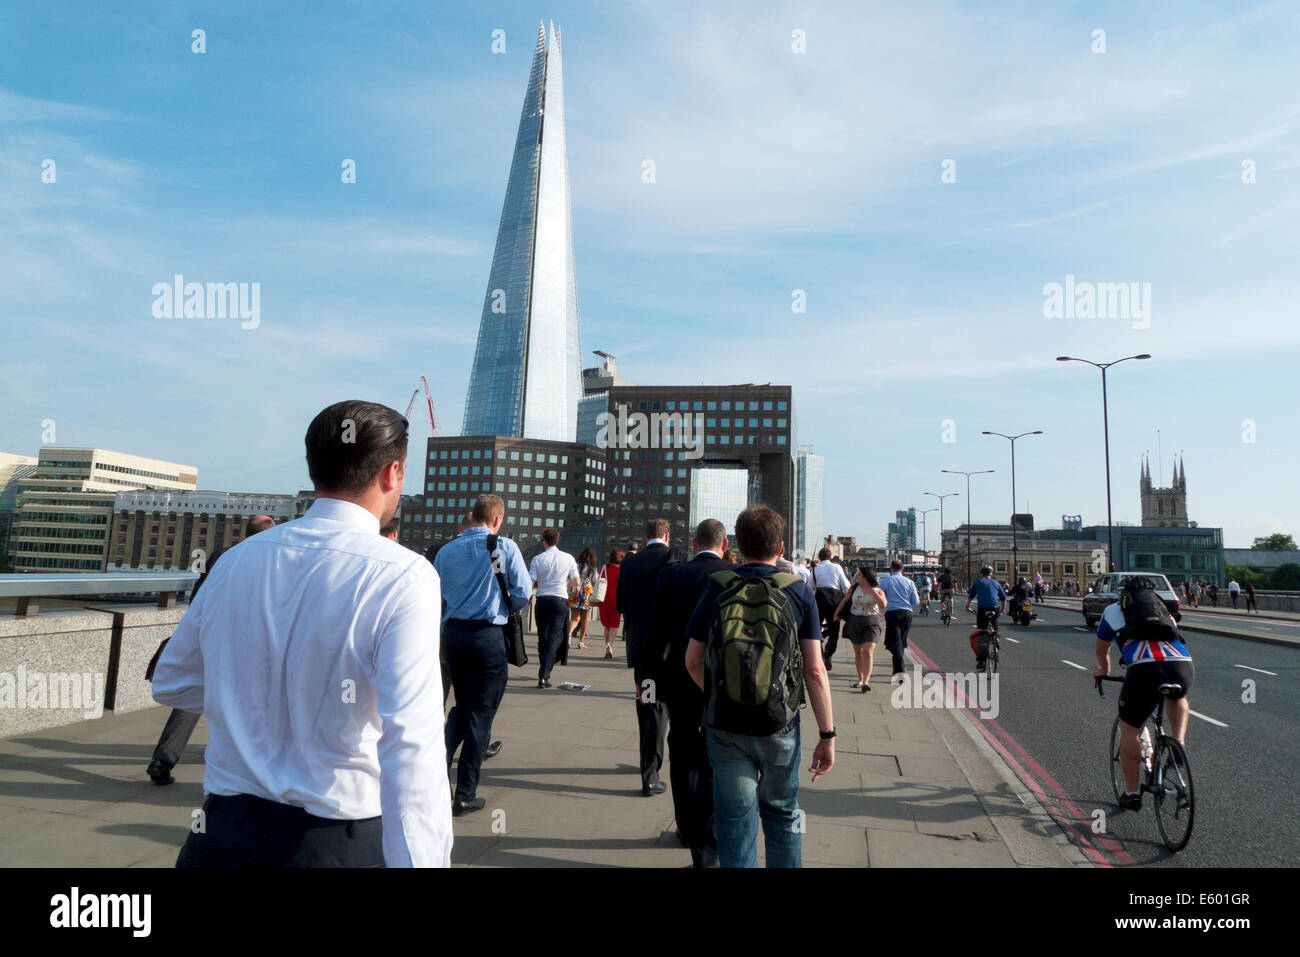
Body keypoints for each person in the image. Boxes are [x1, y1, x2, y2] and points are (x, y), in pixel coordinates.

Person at [154, 399, 451, 867]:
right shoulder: (404, 575)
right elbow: (413, 745)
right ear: (392, 473)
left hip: (221, 832)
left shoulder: (237, 560)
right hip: (334, 841)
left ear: (314, 466)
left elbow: (172, 681)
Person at [684, 505, 834, 868]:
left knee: (734, 821)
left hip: (726, 726)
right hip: (779, 723)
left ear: (739, 543)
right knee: (783, 815)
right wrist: (828, 734)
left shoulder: (718, 586)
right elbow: (815, 671)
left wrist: (720, 693)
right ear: (779, 547)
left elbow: (691, 660)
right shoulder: (799, 592)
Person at [145, 514, 276, 786]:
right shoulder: (274, 560)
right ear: (269, 533)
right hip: (249, 642)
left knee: (195, 693)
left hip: (211, 635)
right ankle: (244, 764)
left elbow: (199, 595)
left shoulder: (222, 555)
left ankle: (163, 759)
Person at [434, 494, 531, 816]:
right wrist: (507, 607)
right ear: (497, 520)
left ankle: (433, 778)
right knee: (480, 714)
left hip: (454, 635)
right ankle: (465, 793)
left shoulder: (447, 551)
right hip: (488, 635)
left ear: (473, 515)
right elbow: (522, 592)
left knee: (461, 707)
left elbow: (437, 597)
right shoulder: (503, 548)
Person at [649, 519, 737, 867]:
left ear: (693, 541)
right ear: (724, 543)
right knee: (716, 755)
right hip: (723, 682)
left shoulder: (672, 576)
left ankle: (686, 827)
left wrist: (651, 679)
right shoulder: (734, 576)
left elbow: (656, 634)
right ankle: (711, 835)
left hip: (679, 678)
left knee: (682, 750)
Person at [1093, 576, 1194, 811]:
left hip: (1143, 666)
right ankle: (1178, 742)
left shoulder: (1112, 610)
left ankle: (1131, 793)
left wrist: (1103, 670)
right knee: (1178, 697)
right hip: (1181, 663)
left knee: (1130, 730)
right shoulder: (1161, 608)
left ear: (1123, 594)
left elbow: (1102, 648)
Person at [616, 518, 676, 796]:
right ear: (667, 535)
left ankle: (648, 770)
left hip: (642, 648)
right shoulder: (677, 559)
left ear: (646, 535)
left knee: (648, 705)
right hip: (671, 648)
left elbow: (620, 604)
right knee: (672, 707)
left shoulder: (629, 563)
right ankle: (662, 762)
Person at [529, 528, 579, 689]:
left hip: (542, 600)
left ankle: (544, 670)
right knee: (554, 637)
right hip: (560, 600)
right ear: (557, 540)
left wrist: (528, 597)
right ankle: (544, 674)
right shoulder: (568, 558)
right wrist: (565, 584)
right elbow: (576, 581)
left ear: (544, 540)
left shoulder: (537, 559)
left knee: (542, 638)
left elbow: (531, 582)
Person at [833, 566, 887, 692]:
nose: (856, 577)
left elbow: (883, 605)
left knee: (867, 652)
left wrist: (872, 592)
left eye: (859, 575)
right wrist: (836, 614)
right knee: (858, 653)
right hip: (855, 621)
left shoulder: (878, 590)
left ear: (865, 577)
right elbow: (844, 601)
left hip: (871, 622)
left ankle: (866, 682)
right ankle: (860, 679)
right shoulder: (853, 589)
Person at [878, 560, 920, 678]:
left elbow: (881, 598)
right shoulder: (910, 582)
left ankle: (899, 671)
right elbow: (915, 601)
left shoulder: (885, 582)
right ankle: (898, 667)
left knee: (896, 644)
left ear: (891, 568)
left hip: (892, 613)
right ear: (902, 569)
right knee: (900, 641)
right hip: (907, 614)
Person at [812, 548, 851, 671]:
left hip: (819, 601)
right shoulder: (836, 567)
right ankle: (829, 653)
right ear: (830, 557)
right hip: (834, 601)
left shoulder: (815, 569)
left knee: (815, 629)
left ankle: (820, 649)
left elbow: (810, 588)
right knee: (834, 630)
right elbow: (846, 586)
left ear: (820, 557)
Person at [965, 565, 1006, 672]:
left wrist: (968, 607)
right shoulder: (996, 583)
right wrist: (1002, 610)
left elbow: (971, 596)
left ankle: (981, 661)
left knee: (981, 631)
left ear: (982, 573)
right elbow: (1004, 598)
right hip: (995, 608)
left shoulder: (978, 582)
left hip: (983, 610)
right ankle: (996, 638)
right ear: (991, 574)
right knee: (994, 623)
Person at [568, 547, 598, 650]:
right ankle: (581, 642)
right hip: (586, 591)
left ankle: (569, 635)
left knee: (575, 618)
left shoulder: (576, 565)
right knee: (585, 618)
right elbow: (595, 580)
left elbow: (571, 578)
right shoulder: (592, 568)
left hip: (576, 590)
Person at [597, 549, 624, 659]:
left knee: (607, 625)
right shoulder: (621, 570)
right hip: (616, 599)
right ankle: (610, 645)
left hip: (603, 598)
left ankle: (607, 644)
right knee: (614, 625)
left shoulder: (604, 568)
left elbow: (598, 580)